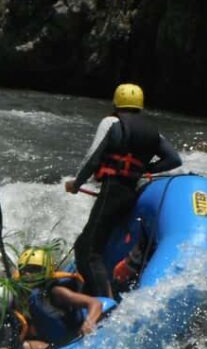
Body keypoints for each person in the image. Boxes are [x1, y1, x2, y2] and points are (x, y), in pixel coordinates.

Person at [64, 83, 182, 298]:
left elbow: (94, 157)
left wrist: (76, 184)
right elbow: (174, 159)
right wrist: (144, 169)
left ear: (116, 103)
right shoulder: (153, 131)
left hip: (113, 191)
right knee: (99, 242)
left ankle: (104, 302)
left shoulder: (112, 122)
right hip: (132, 192)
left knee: (87, 250)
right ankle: (101, 292)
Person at [16, 247, 104, 347]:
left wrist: (89, 324)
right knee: (23, 348)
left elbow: (95, 303)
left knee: (26, 347)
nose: (28, 274)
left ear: (46, 270)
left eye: (34, 269)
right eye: (24, 270)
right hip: (52, 342)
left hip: (72, 337)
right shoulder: (25, 294)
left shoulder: (56, 292)